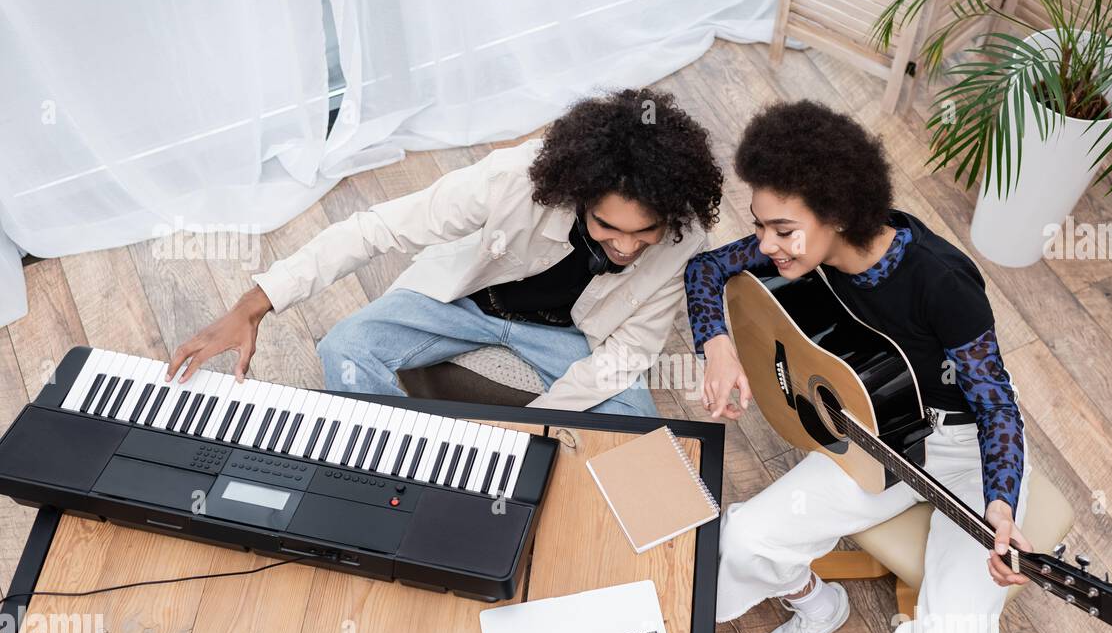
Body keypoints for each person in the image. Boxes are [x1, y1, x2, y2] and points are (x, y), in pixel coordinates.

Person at [684, 100, 1032, 633]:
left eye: (782, 228)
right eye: (760, 225)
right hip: (878, 429)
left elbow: (996, 402)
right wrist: (716, 343)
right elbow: (704, 270)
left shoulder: (942, 279)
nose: (766, 244)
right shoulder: (796, 244)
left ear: (836, 211)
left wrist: (999, 502)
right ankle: (816, 604)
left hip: (961, 447)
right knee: (745, 534)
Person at [168, 89, 723, 415]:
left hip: (567, 338)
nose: (626, 246)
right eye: (607, 225)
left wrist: (534, 425)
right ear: (579, 194)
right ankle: (400, 462)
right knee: (348, 346)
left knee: (635, 414)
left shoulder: (684, 238)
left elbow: (630, 350)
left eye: (643, 232)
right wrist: (253, 303)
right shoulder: (512, 179)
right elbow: (376, 230)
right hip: (464, 303)